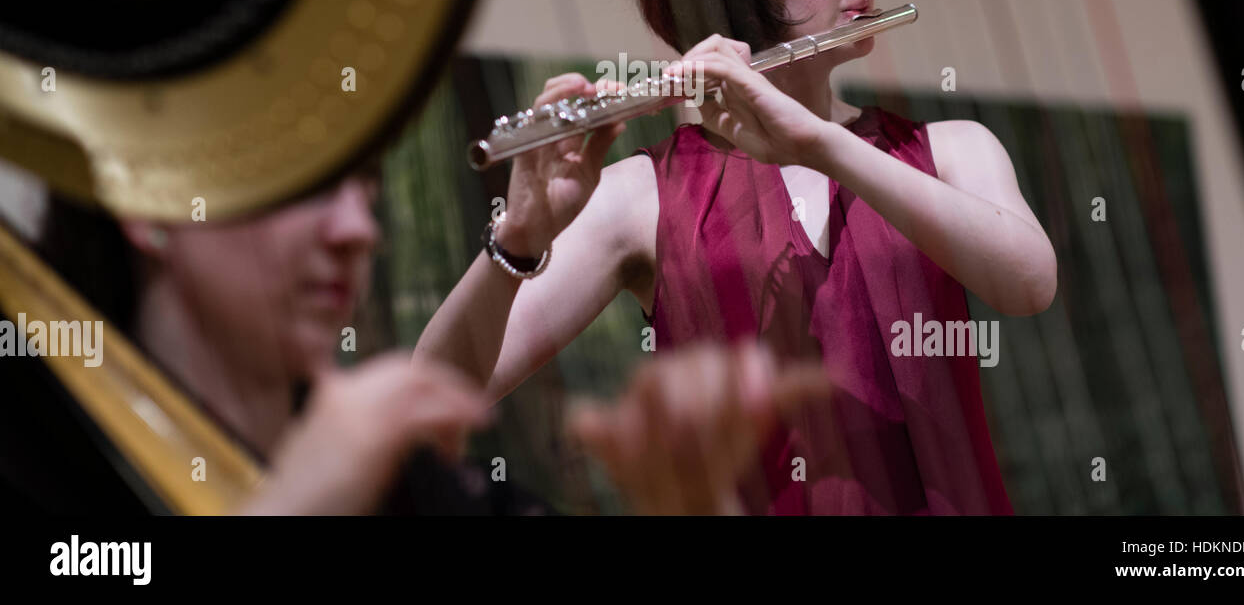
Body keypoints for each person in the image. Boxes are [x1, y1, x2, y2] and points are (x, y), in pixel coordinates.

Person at [417, 0, 1059, 514]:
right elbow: (429, 399)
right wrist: (518, 236)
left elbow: (1028, 283)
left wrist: (817, 142)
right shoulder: (640, 196)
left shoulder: (955, 148)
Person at [6, 164, 824, 515]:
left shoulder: (423, 495)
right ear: (151, 210)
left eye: (364, 186)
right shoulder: (45, 475)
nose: (359, 229)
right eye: (307, 186)